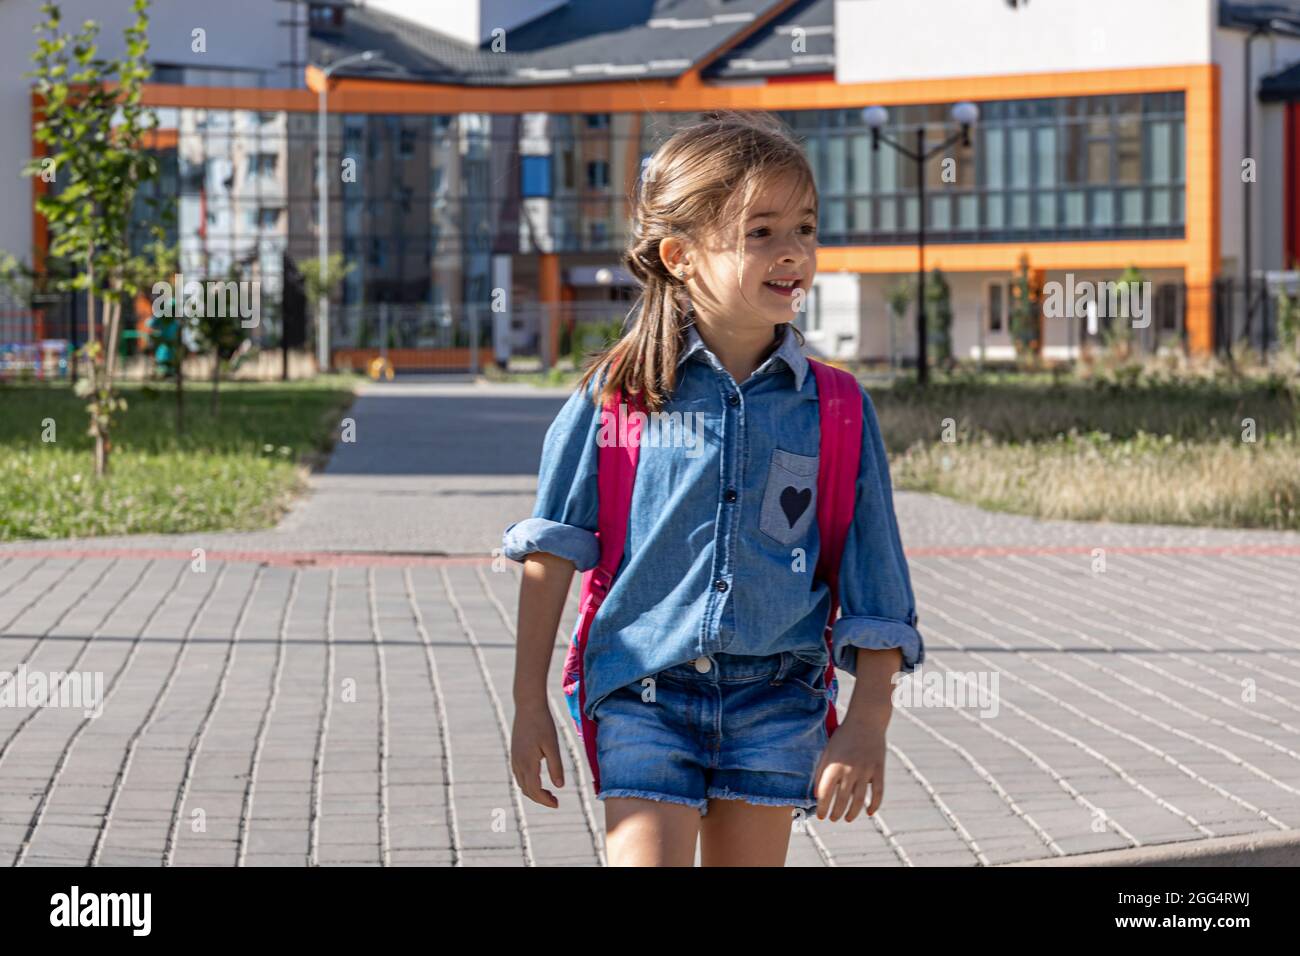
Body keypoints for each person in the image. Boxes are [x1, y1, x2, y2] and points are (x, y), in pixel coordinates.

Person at [501, 111, 924, 866]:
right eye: (760, 232)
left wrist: (868, 724)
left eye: (805, 227)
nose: (793, 251)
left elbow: (878, 586)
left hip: (777, 703)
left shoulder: (835, 408)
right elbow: (553, 548)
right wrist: (526, 699)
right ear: (681, 255)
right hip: (645, 695)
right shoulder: (618, 397)